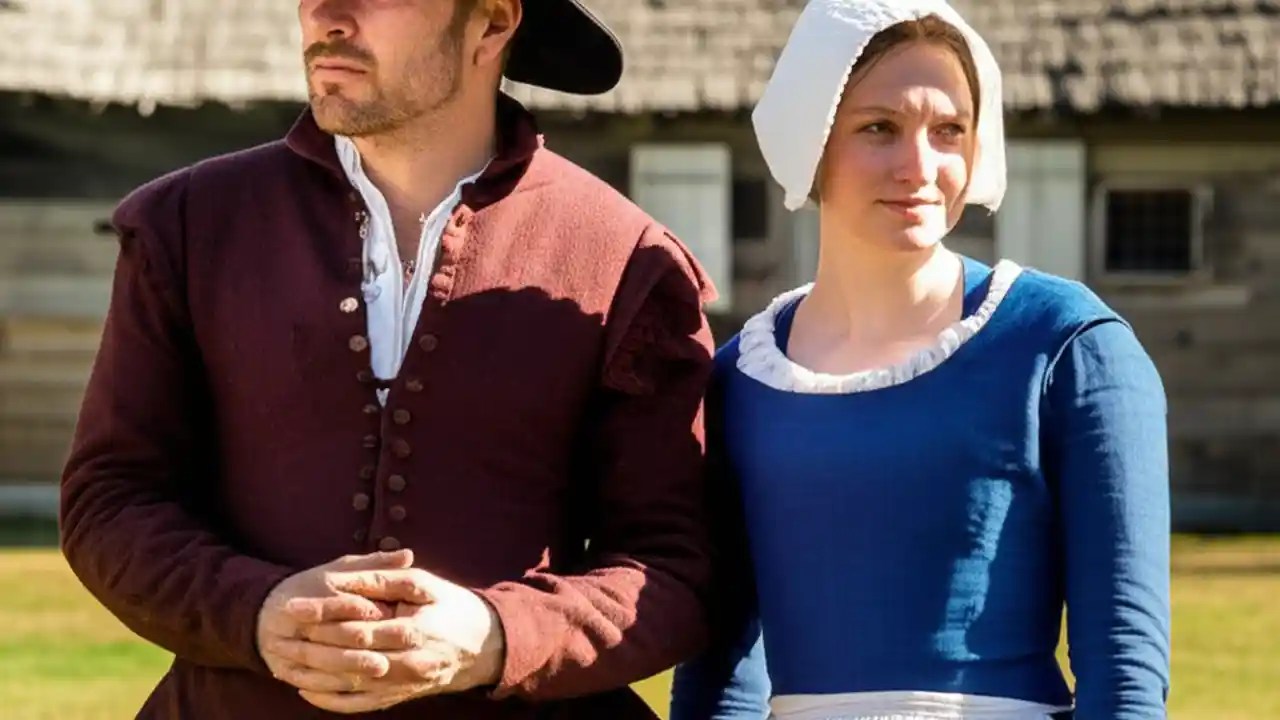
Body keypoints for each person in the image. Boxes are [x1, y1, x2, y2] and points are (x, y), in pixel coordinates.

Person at [60, 1, 719, 718]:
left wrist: (494, 636)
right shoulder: (188, 225)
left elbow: (672, 566)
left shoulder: (627, 262)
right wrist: (256, 610)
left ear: (493, 23)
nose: (327, 16)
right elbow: (113, 498)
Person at [670, 0, 1172, 718]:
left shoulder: (1065, 347)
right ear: (810, 139)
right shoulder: (738, 382)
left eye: (949, 131)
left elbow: (1125, 674)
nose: (920, 166)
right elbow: (717, 679)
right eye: (880, 128)